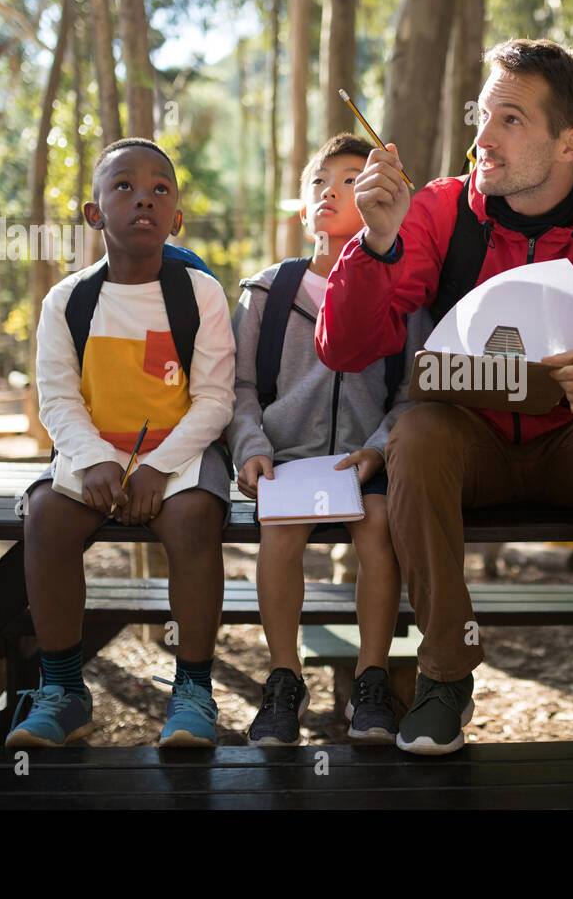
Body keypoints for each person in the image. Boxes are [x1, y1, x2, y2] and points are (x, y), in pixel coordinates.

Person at [316, 39, 573, 802]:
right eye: (481, 116)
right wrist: (374, 244)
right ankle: (444, 677)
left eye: (509, 120)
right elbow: (344, 348)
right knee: (416, 431)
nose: (483, 138)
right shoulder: (440, 208)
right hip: (469, 445)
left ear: (569, 142)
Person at [7, 138, 236, 749]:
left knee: (193, 520)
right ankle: (62, 690)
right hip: (96, 454)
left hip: (179, 455)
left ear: (177, 218)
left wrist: (159, 467)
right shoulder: (69, 300)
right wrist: (95, 460)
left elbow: (215, 399)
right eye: (124, 187)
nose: (144, 198)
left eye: (161, 189)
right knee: (47, 516)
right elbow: (57, 400)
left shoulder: (199, 294)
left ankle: (192, 691)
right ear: (93, 213)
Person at [228, 133, 421, 746]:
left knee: (380, 528)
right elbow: (238, 389)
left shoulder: (404, 291)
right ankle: (284, 679)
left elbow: (414, 393)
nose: (332, 190)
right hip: (286, 460)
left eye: (351, 179)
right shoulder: (265, 293)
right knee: (279, 533)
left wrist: (381, 448)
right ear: (303, 207)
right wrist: (251, 447)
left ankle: (372, 680)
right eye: (320, 182)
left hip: (367, 461)